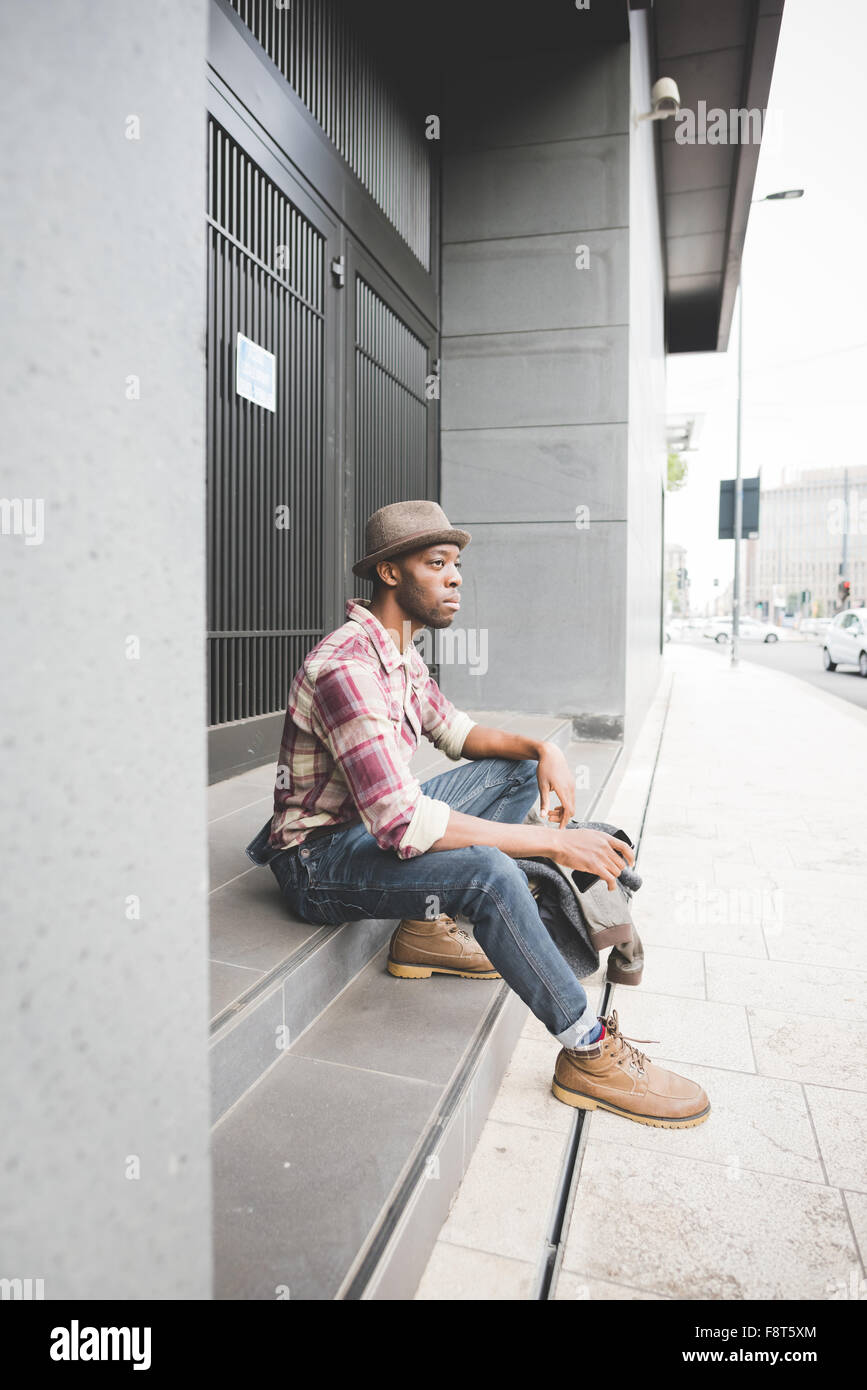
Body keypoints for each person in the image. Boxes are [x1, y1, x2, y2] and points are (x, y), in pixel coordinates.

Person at [247, 500, 710, 1128]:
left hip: (373, 826)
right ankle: (587, 1051)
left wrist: (542, 748)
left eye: (457, 564)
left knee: (518, 769)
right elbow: (401, 823)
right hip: (320, 858)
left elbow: (458, 733)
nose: (456, 577)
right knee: (490, 872)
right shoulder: (348, 668)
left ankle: (420, 929)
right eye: (437, 563)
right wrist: (548, 845)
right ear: (388, 573)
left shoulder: (401, 654)